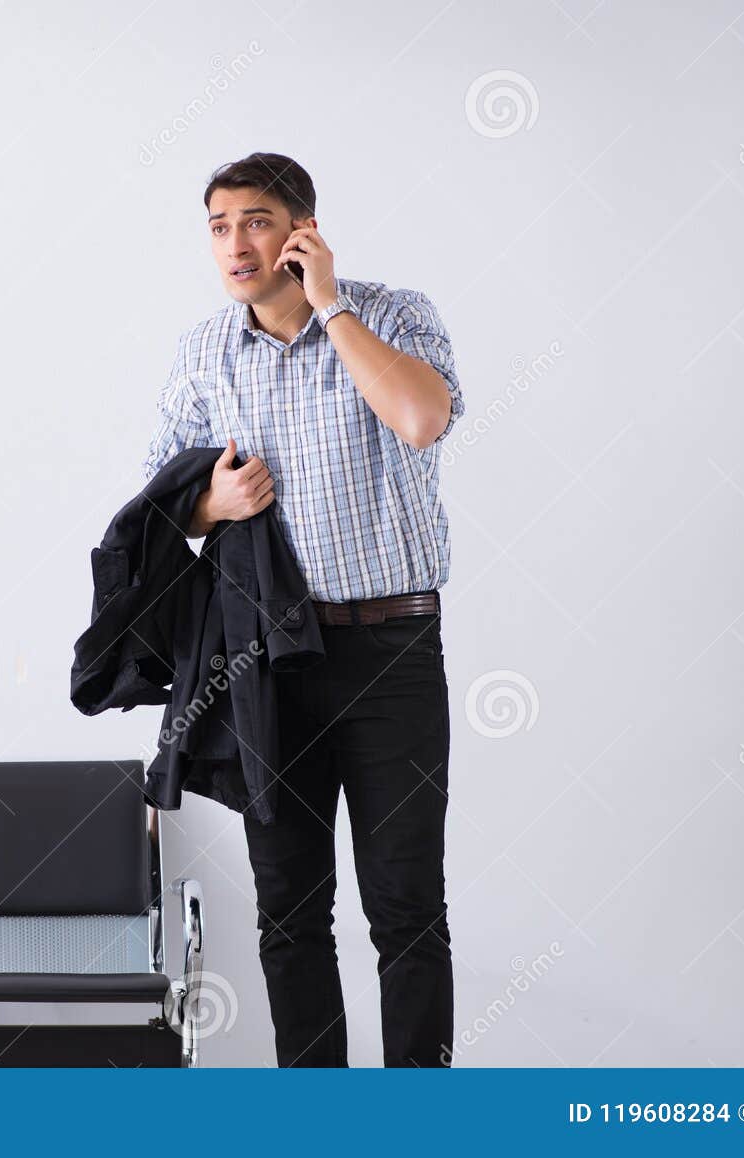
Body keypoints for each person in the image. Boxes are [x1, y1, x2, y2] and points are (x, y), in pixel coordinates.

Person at [141, 152, 465, 1067]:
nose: (235, 243)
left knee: (406, 906)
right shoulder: (205, 350)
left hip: (394, 649)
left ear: (302, 229)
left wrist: (330, 305)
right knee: (288, 908)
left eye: (255, 220)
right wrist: (214, 505)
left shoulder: (392, 313)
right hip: (267, 662)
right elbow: (158, 503)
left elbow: (420, 419)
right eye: (218, 226)